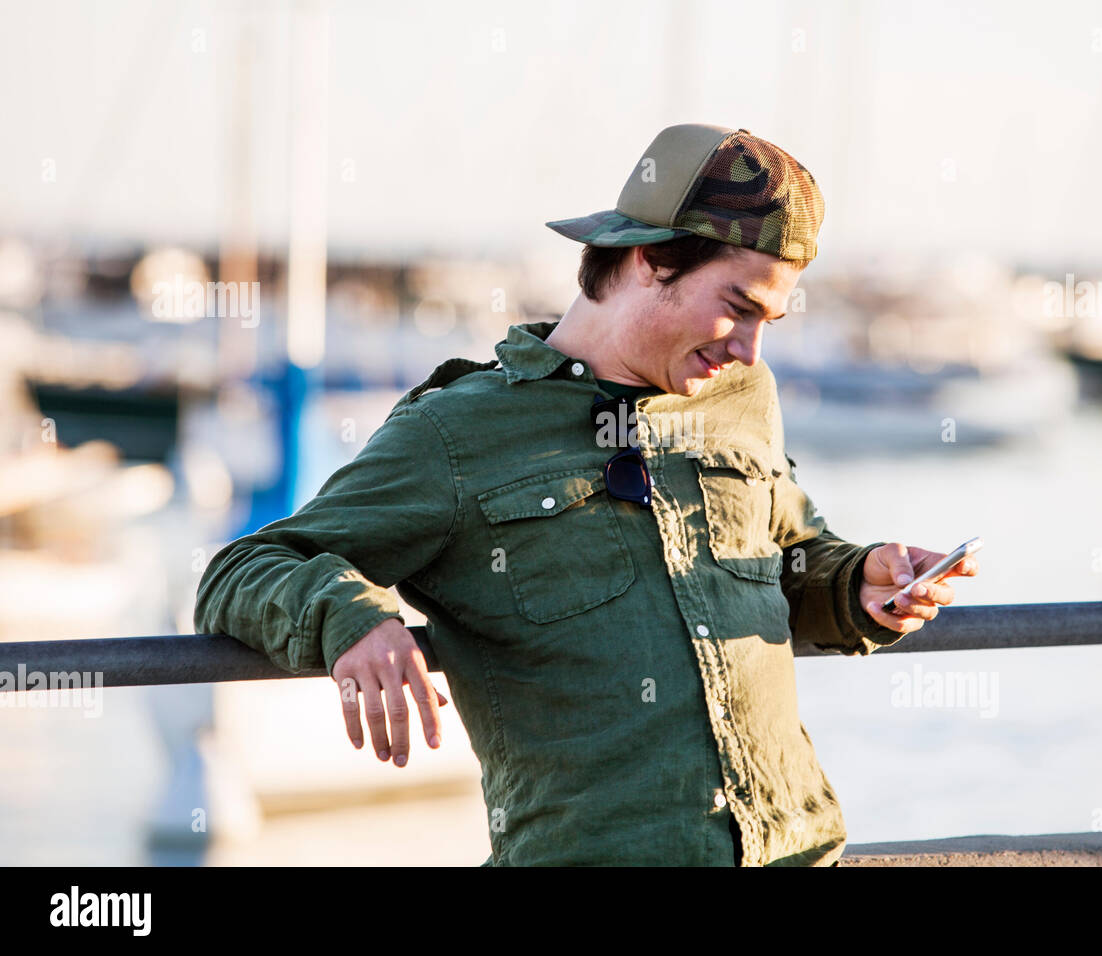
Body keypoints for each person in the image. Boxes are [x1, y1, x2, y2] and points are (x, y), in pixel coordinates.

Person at [193, 123, 979, 866]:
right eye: (739, 307)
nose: (749, 347)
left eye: (769, 320)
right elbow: (244, 568)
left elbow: (792, 559)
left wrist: (860, 581)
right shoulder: (456, 433)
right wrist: (351, 618)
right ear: (648, 259)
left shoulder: (743, 397)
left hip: (802, 852)